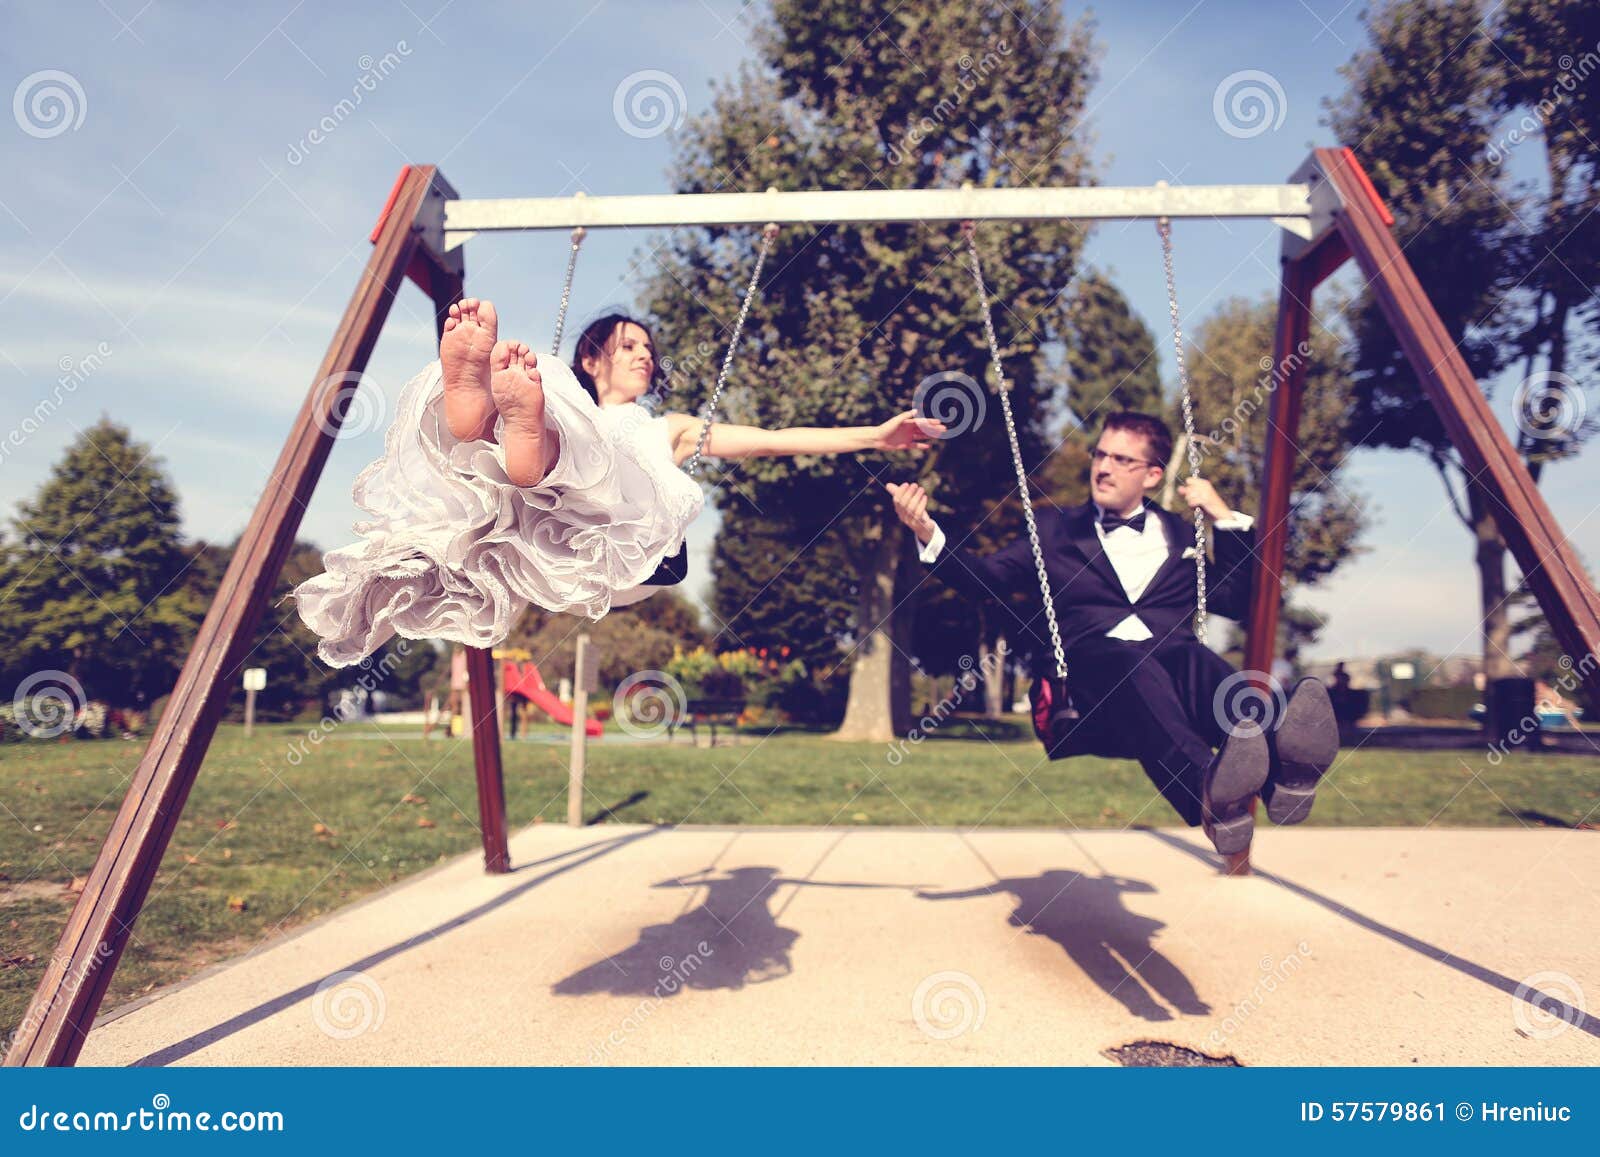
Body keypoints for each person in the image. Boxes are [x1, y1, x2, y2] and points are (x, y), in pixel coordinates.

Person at [294, 301, 943, 668]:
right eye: (627, 345)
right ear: (592, 357)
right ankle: (480, 418)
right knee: (526, 461)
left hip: (638, 558)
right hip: (559, 543)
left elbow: (776, 439)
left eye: (647, 350)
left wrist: (874, 436)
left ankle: (505, 426)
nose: (643, 355)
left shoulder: (671, 428)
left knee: (601, 446)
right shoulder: (570, 409)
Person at [887, 411, 1338, 858]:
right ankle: (1209, 790)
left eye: (1122, 460)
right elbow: (987, 579)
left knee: (1191, 658)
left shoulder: (1183, 534)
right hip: (1087, 691)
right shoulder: (1054, 530)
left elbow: (1238, 602)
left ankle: (1287, 769)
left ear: (1153, 475)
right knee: (1128, 660)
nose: (1103, 468)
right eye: (1100, 455)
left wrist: (1223, 517)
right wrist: (928, 531)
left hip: (1172, 682)